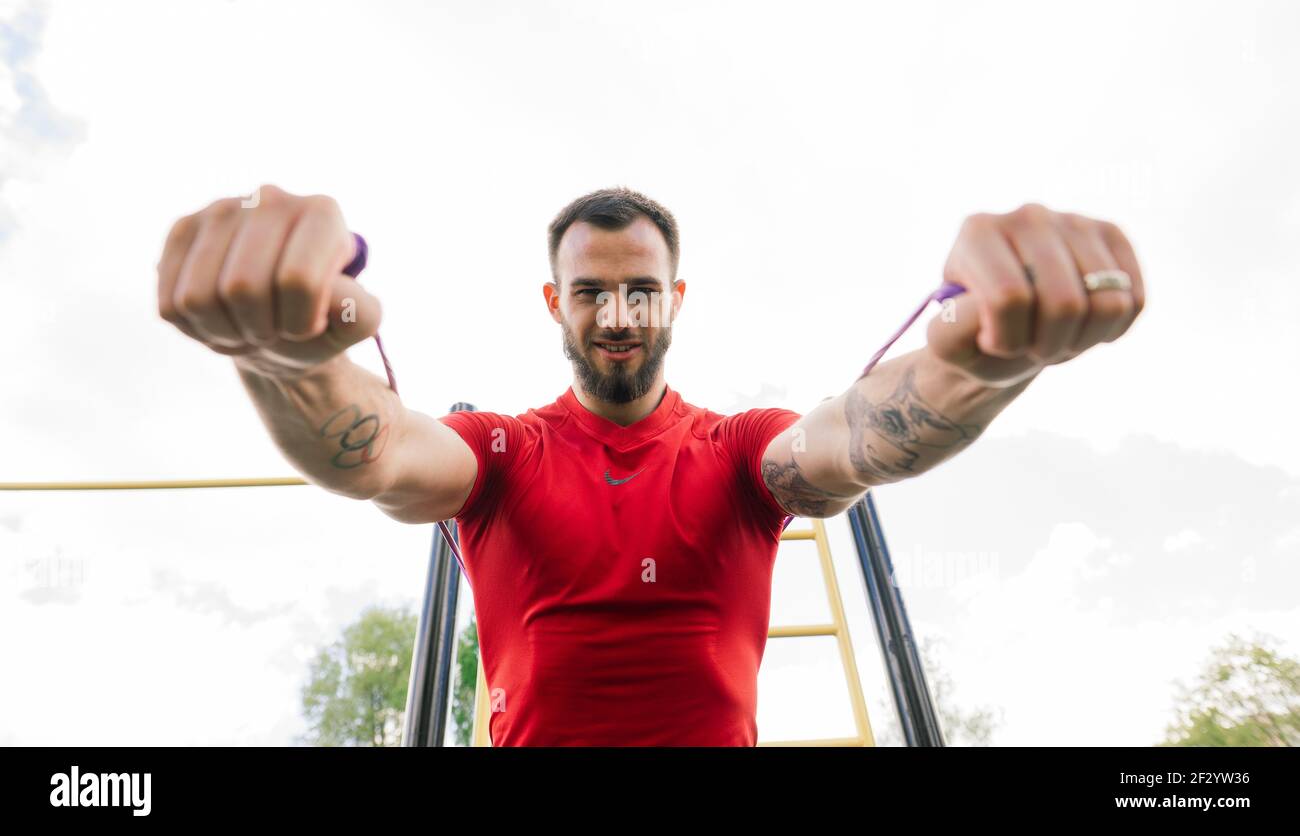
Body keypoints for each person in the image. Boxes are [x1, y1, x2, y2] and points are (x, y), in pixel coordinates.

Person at [156, 184, 1144, 745]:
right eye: (592, 292)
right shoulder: (502, 452)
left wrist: (987, 364)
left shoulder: (740, 446)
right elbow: (373, 452)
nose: (619, 316)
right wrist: (279, 360)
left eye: (641, 291)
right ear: (555, 303)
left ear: (677, 297)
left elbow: (854, 439)